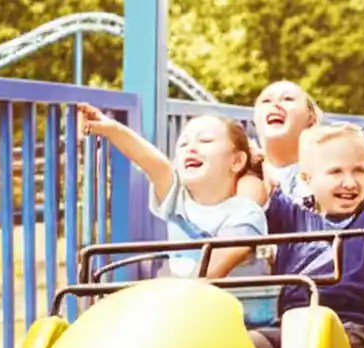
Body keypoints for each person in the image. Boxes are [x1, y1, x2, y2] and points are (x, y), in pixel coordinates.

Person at [249, 123, 364, 348]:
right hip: (294, 324)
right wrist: (256, 155)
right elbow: (263, 184)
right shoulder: (292, 218)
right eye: (335, 172)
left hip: (352, 325)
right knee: (251, 344)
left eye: (360, 171)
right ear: (306, 179)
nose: (349, 182)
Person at [78, 104, 266, 280]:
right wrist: (111, 130)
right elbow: (154, 163)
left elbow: (215, 266)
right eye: (183, 144)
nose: (191, 147)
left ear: (237, 161)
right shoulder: (178, 198)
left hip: (237, 310)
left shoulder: (245, 212)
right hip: (185, 302)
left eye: (205, 140)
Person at [245, 79, 323, 203]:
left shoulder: (327, 177)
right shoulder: (237, 174)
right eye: (266, 101)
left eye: (287, 99)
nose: (275, 104)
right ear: (255, 119)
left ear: (311, 118)